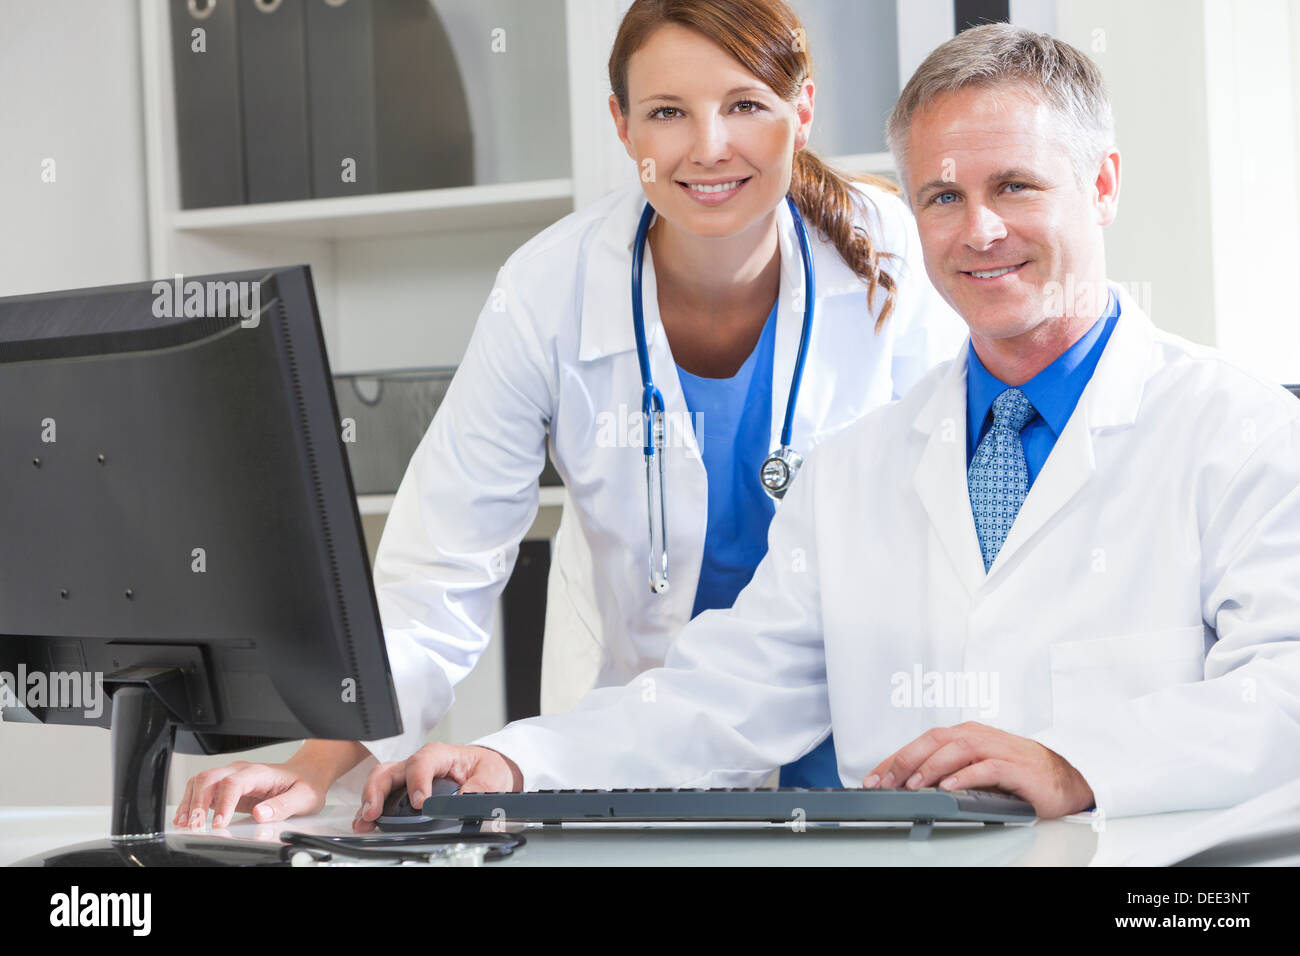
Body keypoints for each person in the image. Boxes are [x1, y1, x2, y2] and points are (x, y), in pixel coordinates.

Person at [355, 23, 1300, 824]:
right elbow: (722, 697)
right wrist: (518, 766)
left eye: (1015, 185)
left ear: (1102, 185)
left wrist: (1081, 765)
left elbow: (1288, 689)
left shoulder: (1242, 437)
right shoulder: (857, 473)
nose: (978, 231)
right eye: (942, 196)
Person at [173, 0, 965, 830]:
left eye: (744, 105)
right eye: (667, 112)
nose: (708, 147)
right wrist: (312, 764)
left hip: (864, 757)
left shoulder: (901, 263)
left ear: (801, 111)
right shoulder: (549, 290)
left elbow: (962, 534)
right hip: (639, 755)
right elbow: (439, 572)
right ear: (622, 126)